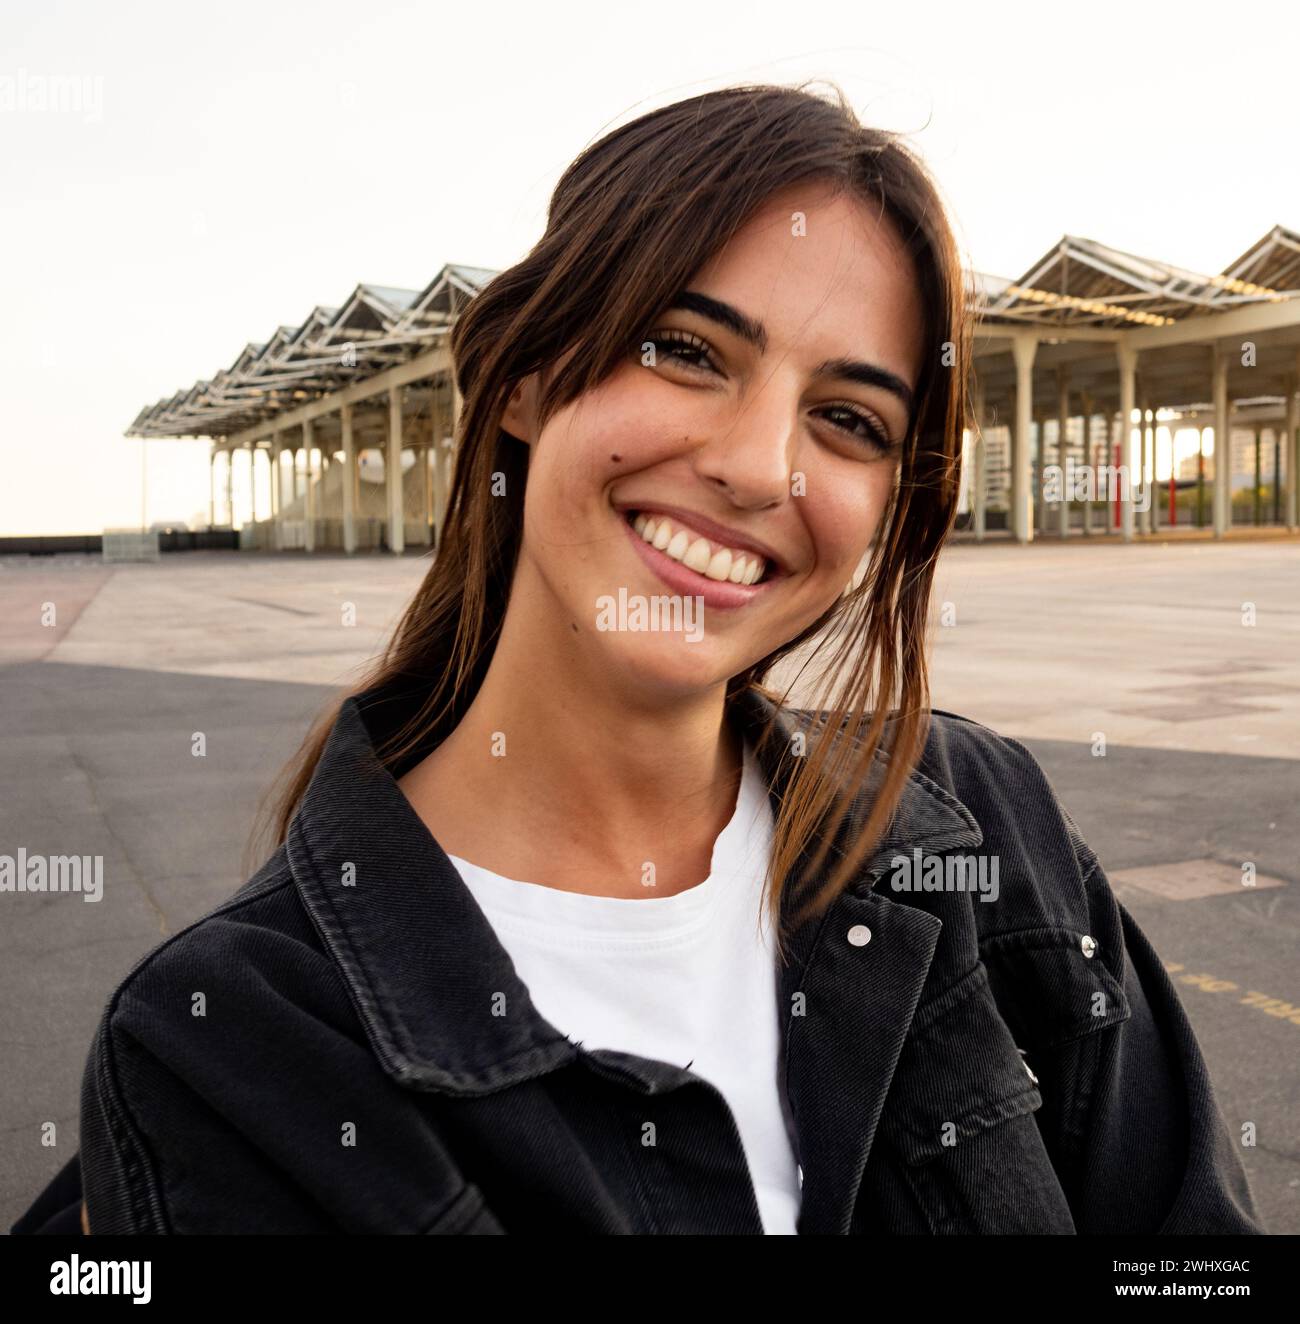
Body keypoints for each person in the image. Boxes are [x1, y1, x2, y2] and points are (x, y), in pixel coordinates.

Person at [13, 81, 1263, 1236]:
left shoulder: (983, 833)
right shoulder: (231, 1043)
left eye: (846, 420)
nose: (757, 465)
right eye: (687, 350)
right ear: (524, 374)